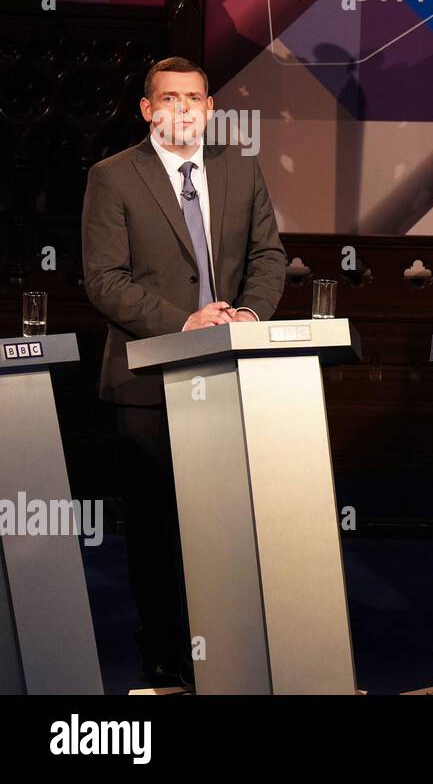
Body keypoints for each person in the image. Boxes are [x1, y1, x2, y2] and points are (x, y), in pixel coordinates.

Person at [81, 56, 287, 686]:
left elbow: (268, 255)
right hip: (148, 378)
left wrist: (247, 313)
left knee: (222, 521)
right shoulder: (113, 177)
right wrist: (185, 324)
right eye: (169, 98)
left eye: (194, 97)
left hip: (230, 374)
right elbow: (104, 281)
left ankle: (226, 644)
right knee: (155, 525)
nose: (183, 109)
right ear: (148, 110)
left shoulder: (240, 169)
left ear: (210, 108)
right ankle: (166, 650)